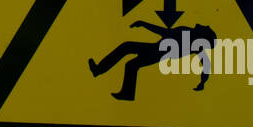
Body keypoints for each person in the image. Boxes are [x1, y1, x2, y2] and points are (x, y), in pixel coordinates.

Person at [88, 21, 217, 101]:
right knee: (132, 64)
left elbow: (164, 32)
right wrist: (202, 82)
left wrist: (144, 24)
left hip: (156, 51)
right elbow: (206, 64)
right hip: (157, 51)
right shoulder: (191, 39)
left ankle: (100, 71)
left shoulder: (190, 38)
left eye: (206, 28)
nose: (203, 25)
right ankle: (127, 94)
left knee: (127, 49)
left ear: (203, 36)